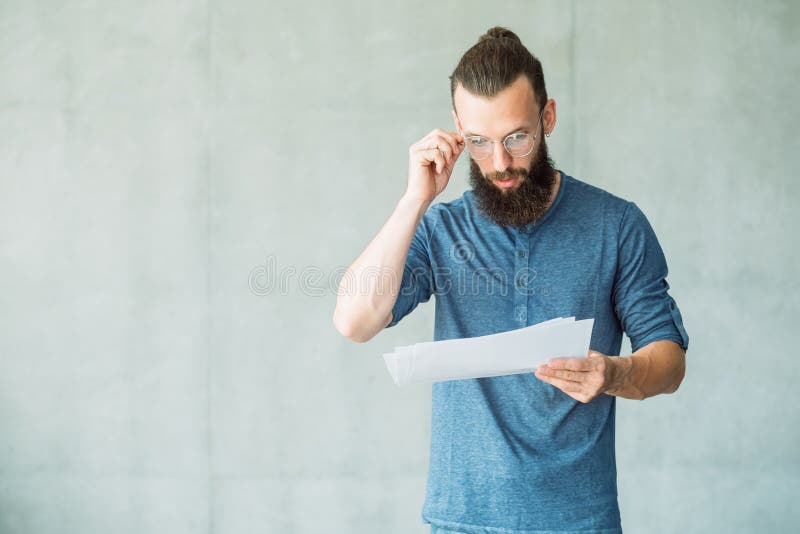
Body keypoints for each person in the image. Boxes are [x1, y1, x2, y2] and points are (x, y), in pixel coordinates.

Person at [333, 26, 689, 534]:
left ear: (548, 117)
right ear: (457, 129)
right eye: (479, 142)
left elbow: (669, 361)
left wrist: (617, 373)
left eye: (516, 138)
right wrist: (414, 200)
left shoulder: (617, 225)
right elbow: (354, 321)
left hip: (580, 522)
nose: (499, 163)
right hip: (460, 522)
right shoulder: (440, 228)